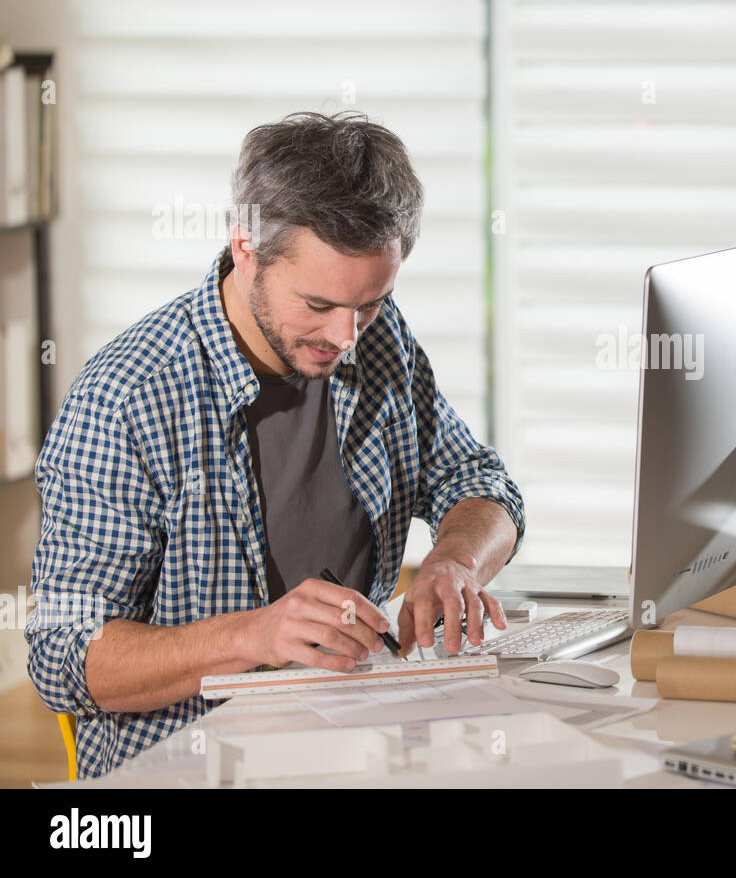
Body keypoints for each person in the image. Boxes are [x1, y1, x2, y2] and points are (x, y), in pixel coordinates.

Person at [25, 112, 525, 778]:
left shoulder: (375, 337)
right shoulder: (128, 398)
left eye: (371, 302)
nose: (346, 336)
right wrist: (252, 634)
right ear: (245, 248)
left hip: (354, 750)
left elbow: (480, 481)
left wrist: (455, 562)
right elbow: (61, 658)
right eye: (317, 304)